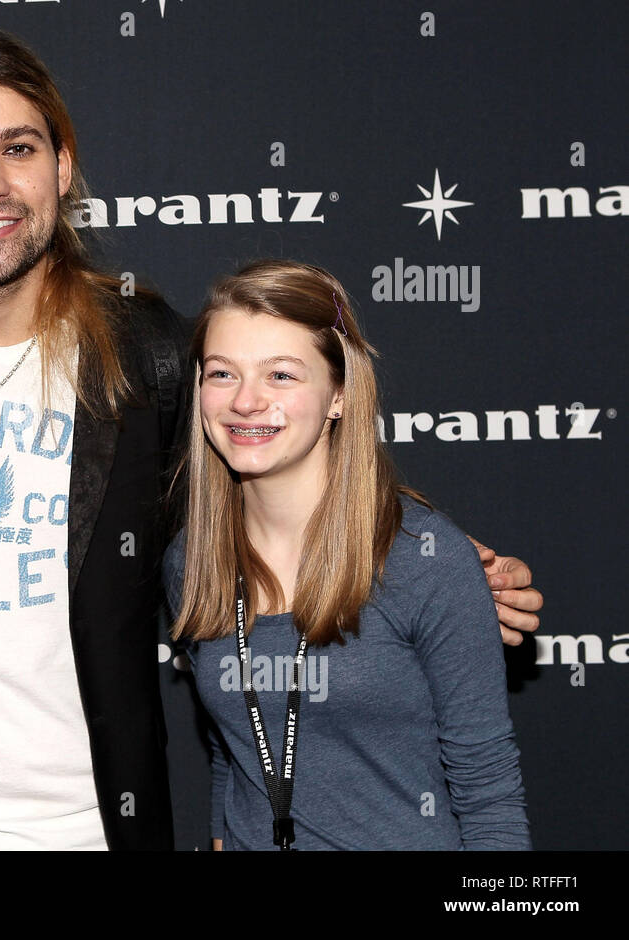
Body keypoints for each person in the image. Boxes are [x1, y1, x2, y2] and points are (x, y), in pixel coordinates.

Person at [0, 29, 540, 851]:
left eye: (18, 148)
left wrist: (424, 554)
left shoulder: (146, 354)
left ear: (63, 169)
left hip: (96, 833)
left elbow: (266, 475)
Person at [164, 260, 530, 850]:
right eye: (222, 373)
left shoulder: (422, 558)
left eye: (281, 375)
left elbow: (489, 797)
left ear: (337, 396)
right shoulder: (193, 562)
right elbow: (234, 763)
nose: (246, 401)